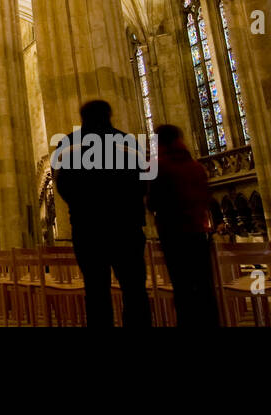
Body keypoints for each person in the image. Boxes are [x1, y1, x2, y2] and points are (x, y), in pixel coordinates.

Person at [53, 99, 151, 327]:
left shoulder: (69, 144)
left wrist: (82, 205)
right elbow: (143, 182)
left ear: (83, 118)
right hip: (126, 227)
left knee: (96, 292)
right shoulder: (128, 142)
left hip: (88, 228)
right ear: (109, 115)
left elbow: (62, 185)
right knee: (134, 289)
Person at [147, 124, 219, 326]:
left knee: (183, 289)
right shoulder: (196, 166)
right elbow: (206, 197)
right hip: (199, 232)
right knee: (205, 287)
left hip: (174, 235)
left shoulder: (159, 166)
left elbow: (152, 202)